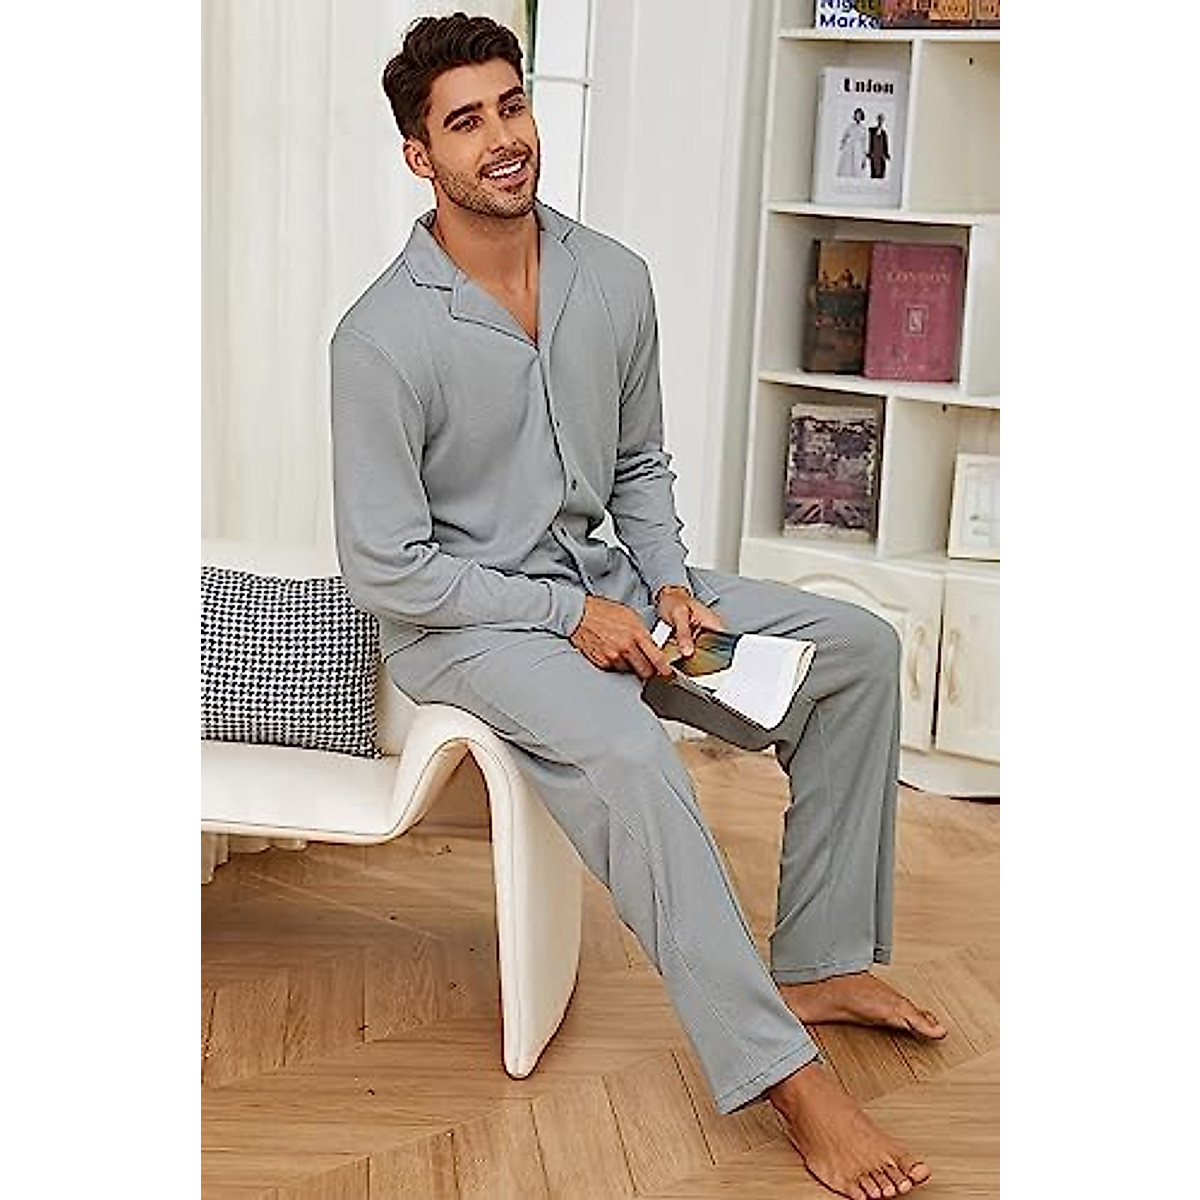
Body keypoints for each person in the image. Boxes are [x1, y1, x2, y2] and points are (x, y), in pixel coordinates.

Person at [330, 14, 946, 1199]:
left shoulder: (612, 277)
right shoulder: (379, 340)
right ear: (420, 156)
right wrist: (567, 619)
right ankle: (785, 1076)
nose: (503, 137)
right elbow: (387, 568)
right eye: (466, 121)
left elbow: (638, 469)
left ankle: (820, 960)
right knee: (629, 750)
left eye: (512, 104)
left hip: (610, 582)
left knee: (857, 652)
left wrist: (664, 582)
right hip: (464, 628)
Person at [836, 107, 868, 178]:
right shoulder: (850, 126)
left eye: (859, 115)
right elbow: (845, 136)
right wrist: (842, 144)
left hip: (858, 148)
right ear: (855, 116)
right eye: (857, 115)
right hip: (849, 147)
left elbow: (864, 142)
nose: (858, 117)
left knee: (857, 167)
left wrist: (864, 157)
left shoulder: (863, 128)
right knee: (847, 165)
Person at [868, 113, 890, 180]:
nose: (880, 121)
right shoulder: (872, 131)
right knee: (874, 171)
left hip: (881, 154)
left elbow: (885, 144)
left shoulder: (884, 133)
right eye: (879, 119)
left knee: (881, 172)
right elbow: (870, 142)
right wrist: (870, 152)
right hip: (874, 153)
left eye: (882, 120)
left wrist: (886, 154)